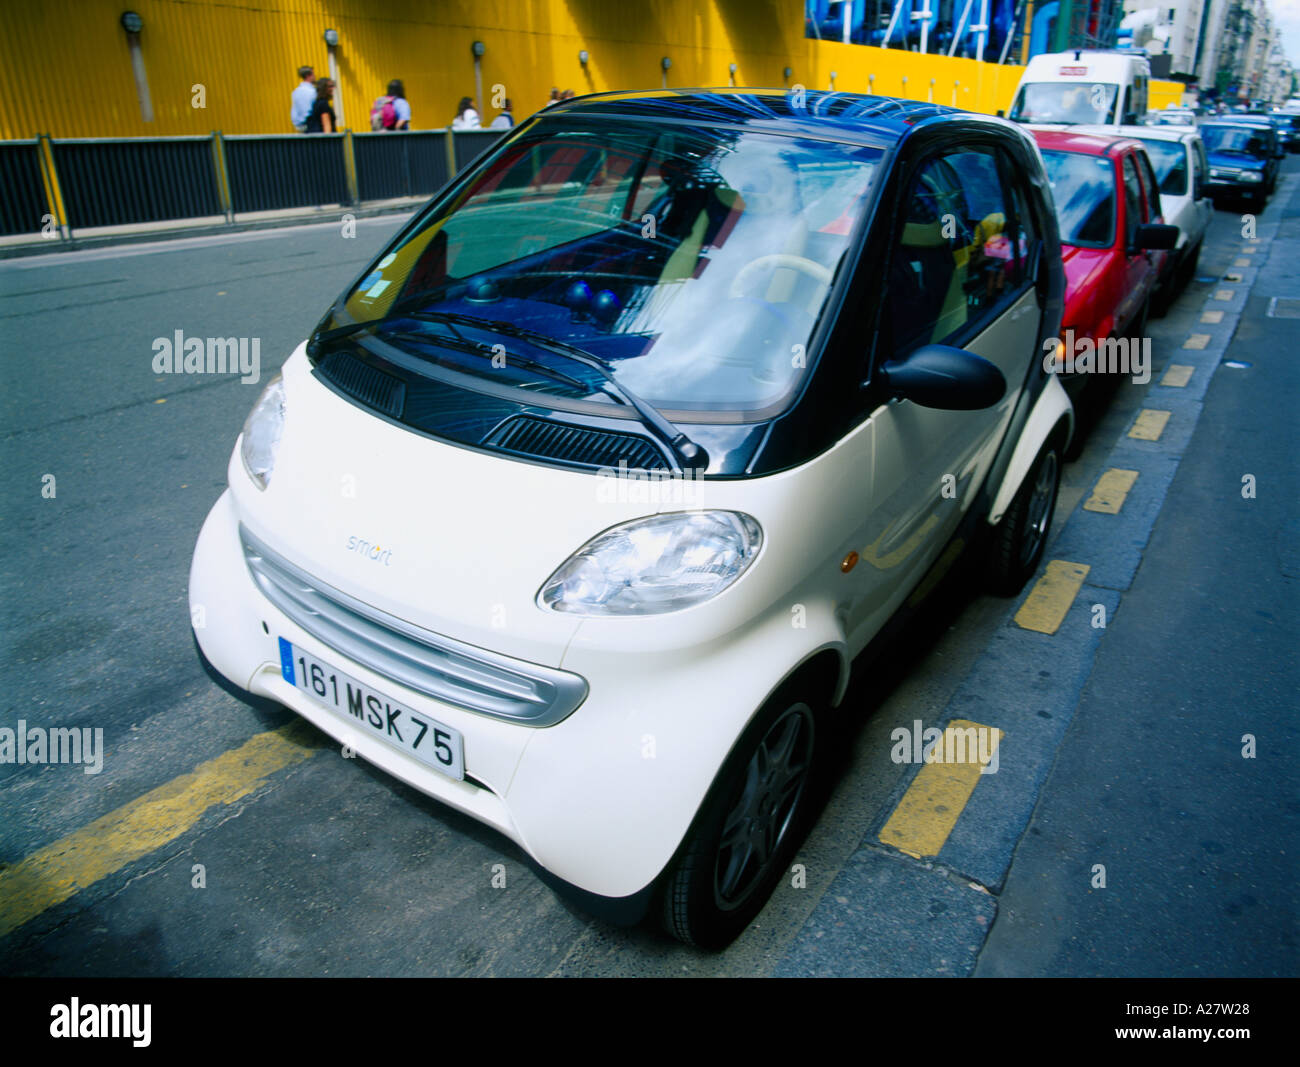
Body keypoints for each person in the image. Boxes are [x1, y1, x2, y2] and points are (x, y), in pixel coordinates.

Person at [291, 66, 315, 132]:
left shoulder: (295, 91)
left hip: (299, 125)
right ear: (308, 76)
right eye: (313, 74)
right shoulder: (312, 91)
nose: (315, 76)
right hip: (311, 124)